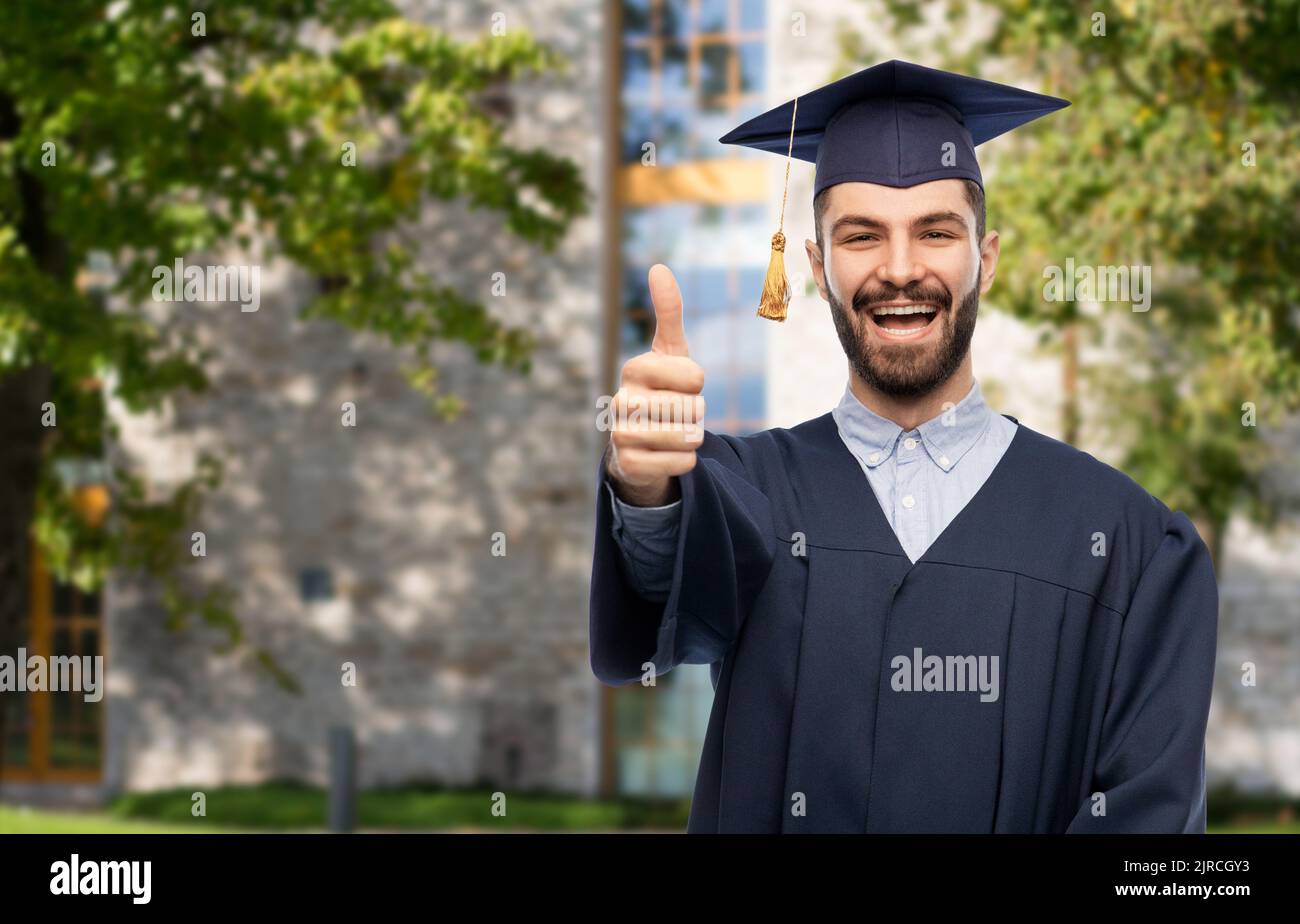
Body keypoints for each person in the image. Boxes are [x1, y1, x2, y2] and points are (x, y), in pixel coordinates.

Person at [588, 60, 1218, 833]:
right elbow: (667, 580)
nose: (899, 269)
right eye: (861, 237)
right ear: (818, 268)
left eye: (936, 231)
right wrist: (644, 485)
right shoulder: (743, 493)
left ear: (984, 258)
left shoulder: (1128, 541)